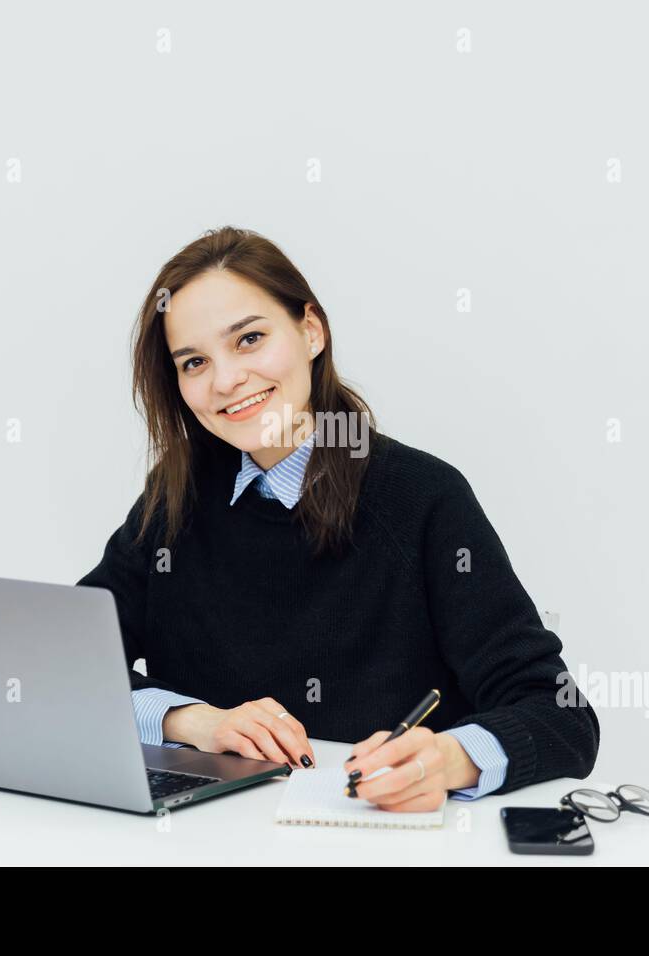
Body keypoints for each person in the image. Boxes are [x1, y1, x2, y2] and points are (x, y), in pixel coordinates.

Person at [77, 226, 599, 812]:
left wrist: (449, 759)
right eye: (194, 361)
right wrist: (190, 721)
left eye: (249, 339)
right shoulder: (173, 500)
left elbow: (559, 713)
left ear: (311, 331)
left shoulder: (421, 496)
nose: (225, 381)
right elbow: (66, 663)